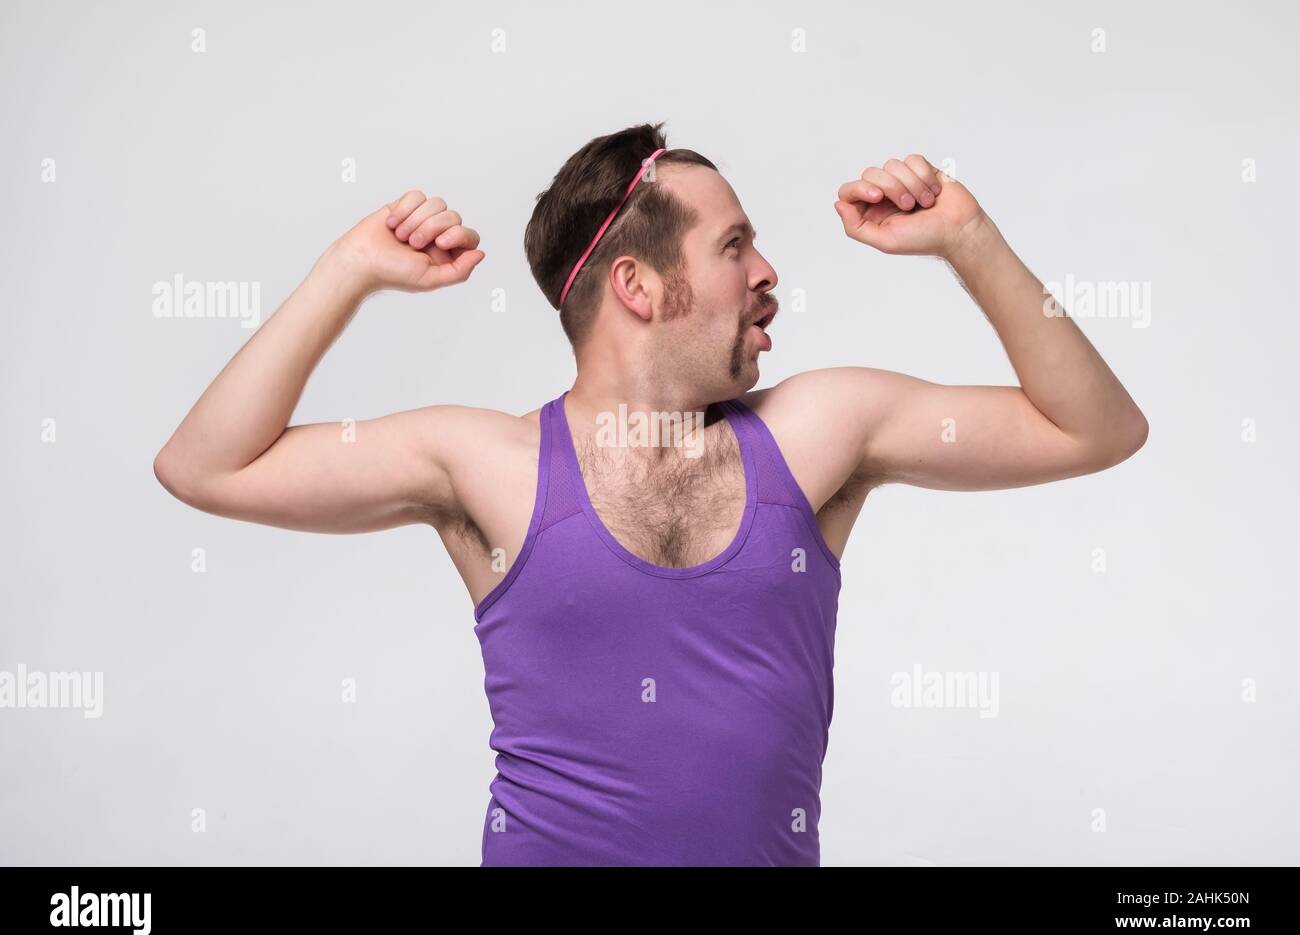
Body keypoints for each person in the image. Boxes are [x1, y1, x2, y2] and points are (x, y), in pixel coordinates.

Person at [153, 122, 1148, 866]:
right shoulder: (488, 464)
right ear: (636, 285)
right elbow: (207, 464)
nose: (767, 274)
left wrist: (967, 237)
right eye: (732, 247)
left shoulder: (814, 435)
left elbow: (1094, 427)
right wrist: (348, 271)